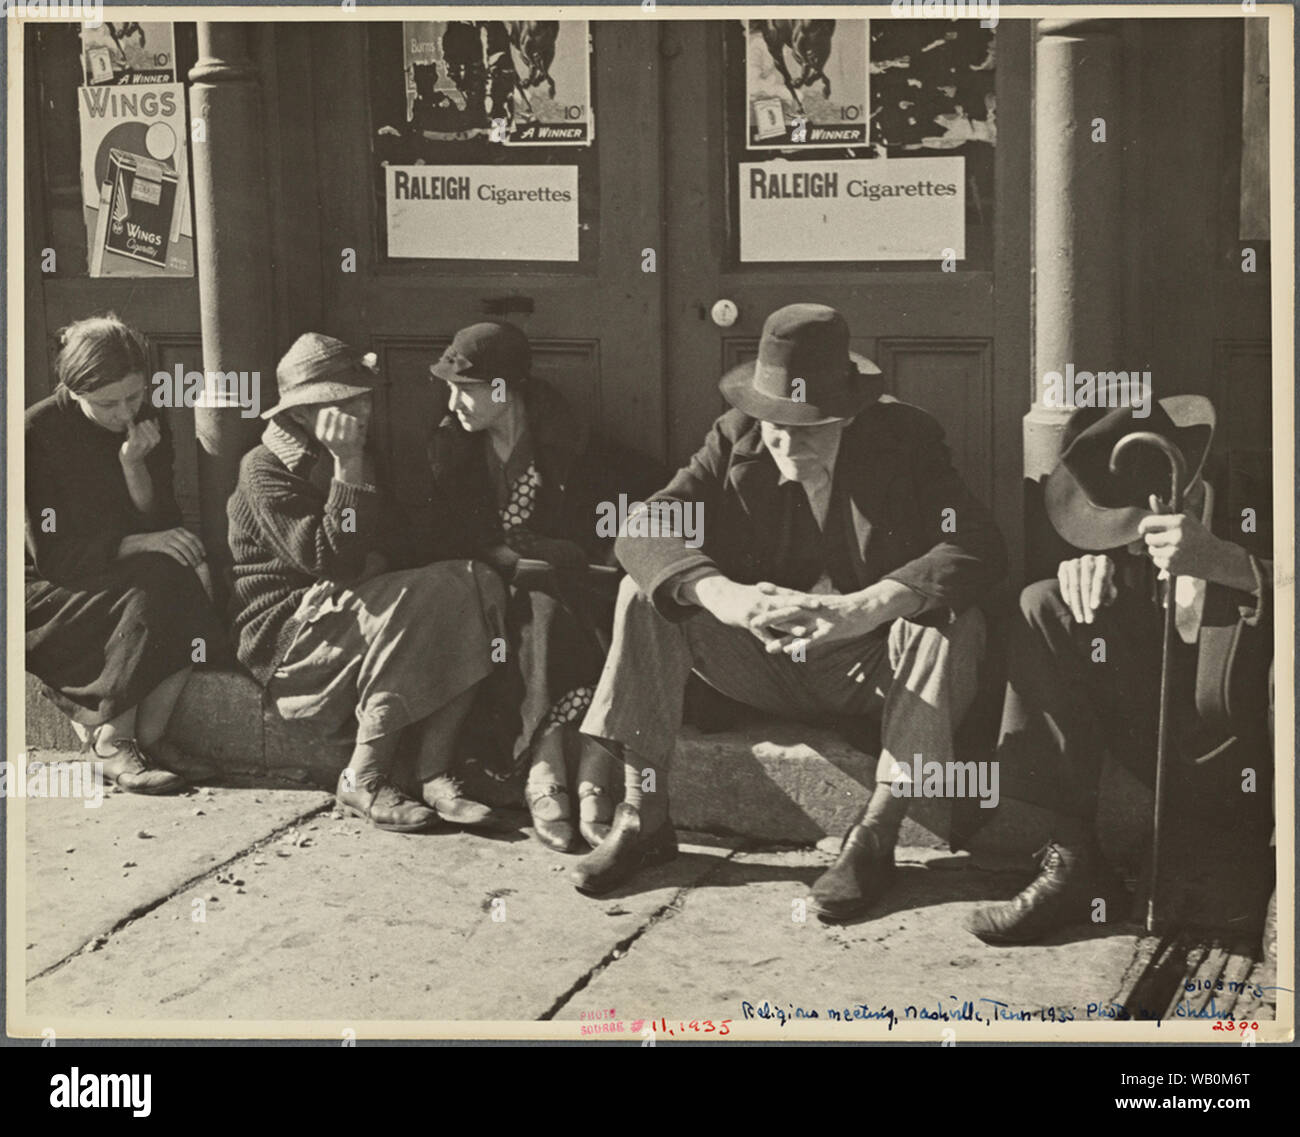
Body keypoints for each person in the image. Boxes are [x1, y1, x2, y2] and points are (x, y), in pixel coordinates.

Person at [570, 303, 1006, 898]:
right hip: (759, 659)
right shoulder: (735, 437)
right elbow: (642, 527)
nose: (783, 439)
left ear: (848, 418)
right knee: (643, 592)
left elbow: (976, 545)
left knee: (949, 622)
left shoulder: (905, 440)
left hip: (865, 670)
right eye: (774, 420)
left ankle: (875, 835)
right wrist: (722, 596)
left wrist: (868, 607)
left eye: (807, 426)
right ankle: (644, 813)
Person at [967, 396, 1273, 944]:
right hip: (1154, 730)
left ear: (1167, 493)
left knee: (1222, 910)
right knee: (1042, 604)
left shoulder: (1262, 497)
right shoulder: (1121, 545)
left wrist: (1225, 563)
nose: (1118, 542)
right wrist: (1087, 565)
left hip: (1248, 747)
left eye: (1121, 527)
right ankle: (1075, 861)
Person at [227, 333, 507, 833]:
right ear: (300, 411)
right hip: (289, 643)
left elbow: (394, 543)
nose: (361, 410)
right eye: (343, 400)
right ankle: (364, 776)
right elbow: (331, 559)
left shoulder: (356, 450)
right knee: (416, 600)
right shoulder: (265, 469)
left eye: (362, 397)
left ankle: (434, 771)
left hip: (346, 612)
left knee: (476, 581)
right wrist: (348, 468)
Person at [424, 322, 664, 852]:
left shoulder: (569, 442)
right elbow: (445, 535)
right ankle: (567, 766)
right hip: (499, 594)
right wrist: (502, 556)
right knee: (541, 604)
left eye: (464, 388)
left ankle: (555, 766)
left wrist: (585, 553)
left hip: (576, 587)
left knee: (565, 602)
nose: (452, 401)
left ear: (503, 390)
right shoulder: (453, 447)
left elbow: (649, 495)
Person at [25, 314, 223, 793]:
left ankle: (149, 739)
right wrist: (134, 543)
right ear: (73, 391)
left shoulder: (146, 416)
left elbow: (160, 522)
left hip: (113, 570)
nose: (124, 414)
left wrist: (135, 467)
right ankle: (112, 743)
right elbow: (52, 554)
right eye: (107, 404)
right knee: (151, 582)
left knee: (180, 572)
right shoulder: (37, 431)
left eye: (133, 396)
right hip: (44, 587)